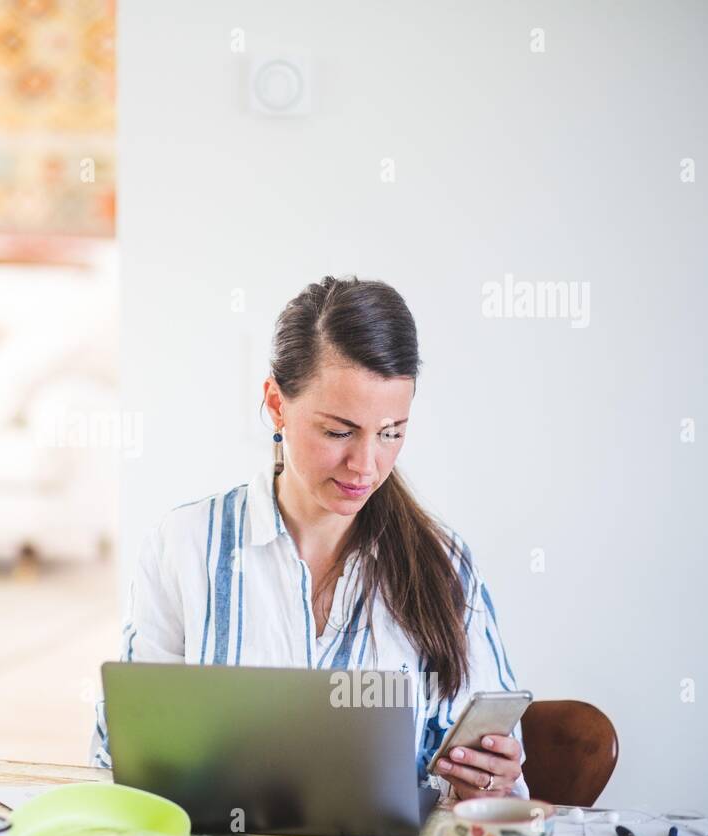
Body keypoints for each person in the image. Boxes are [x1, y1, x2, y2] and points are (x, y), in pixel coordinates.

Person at [89, 275, 527, 802]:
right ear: (276, 403)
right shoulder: (182, 547)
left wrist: (490, 782)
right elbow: (119, 759)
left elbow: (501, 793)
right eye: (339, 431)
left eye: (391, 432)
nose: (365, 465)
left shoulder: (446, 565)